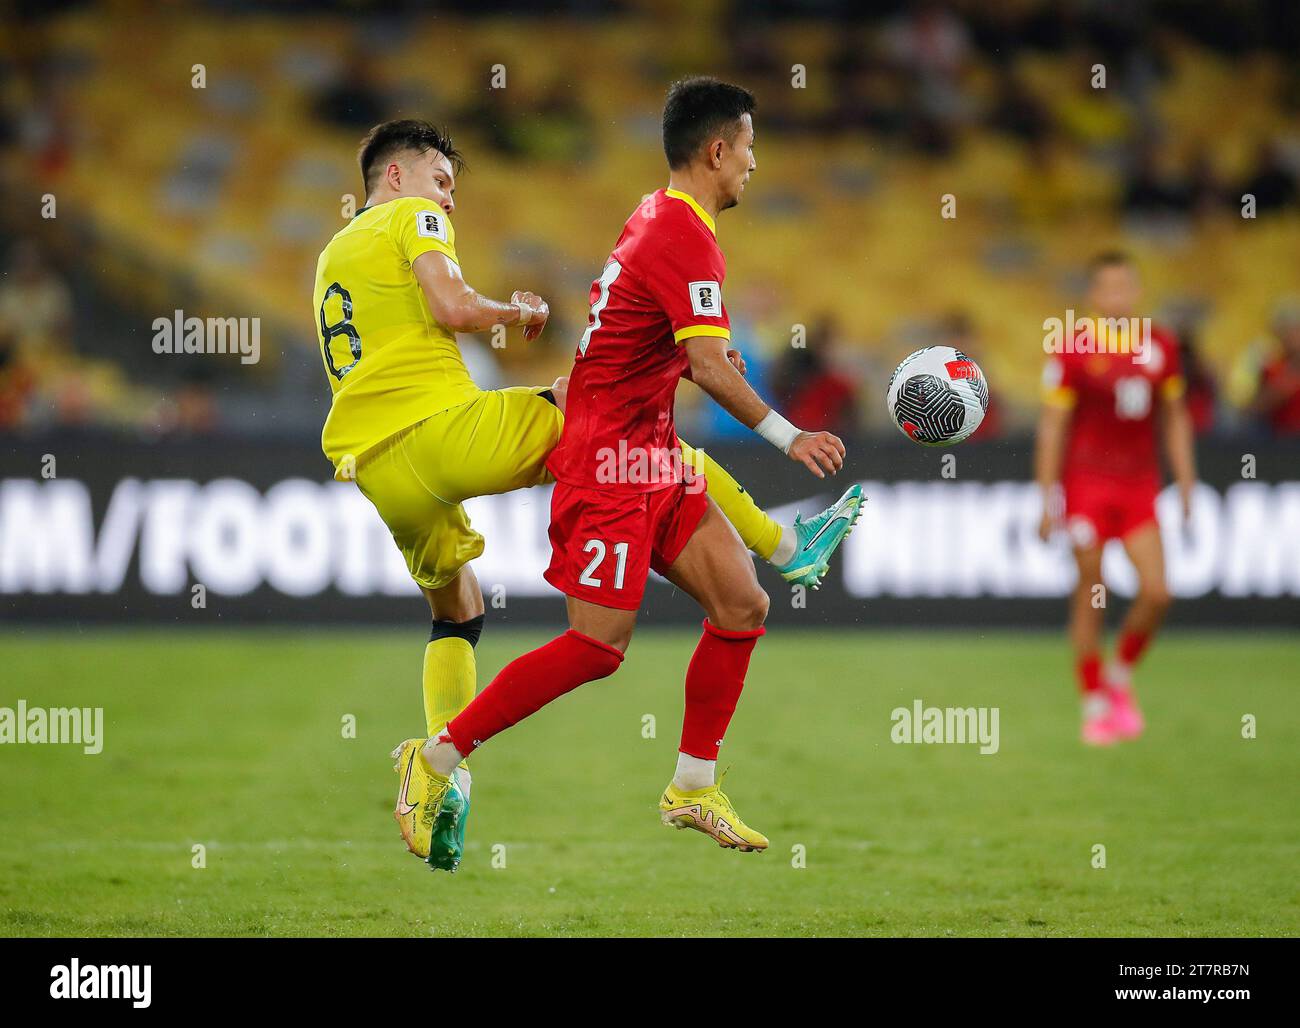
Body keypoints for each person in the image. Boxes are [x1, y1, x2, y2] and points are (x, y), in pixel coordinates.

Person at [312, 118, 863, 870]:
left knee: (459, 610)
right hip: (446, 436)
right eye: (443, 179)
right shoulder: (412, 213)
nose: (449, 197)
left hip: (376, 468)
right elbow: (450, 305)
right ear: (398, 176)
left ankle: (449, 777)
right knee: (591, 407)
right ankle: (787, 544)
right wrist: (517, 312)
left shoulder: (331, 260)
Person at [1035, 251, 1197, 746]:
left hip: (1139, 485)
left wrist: (1186, 481)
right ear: (1094, 295)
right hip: (1087, 484)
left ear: (1136, 290)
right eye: (1107, 288)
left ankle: (1120, 676)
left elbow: (1174, 416)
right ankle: (1094, 703)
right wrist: (1047, 498)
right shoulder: (1073, 349)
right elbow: (1053, 426)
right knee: (1092, 588)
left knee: (1157, 592)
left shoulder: (1161, 346)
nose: (1117, 296)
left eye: (1124, 286)